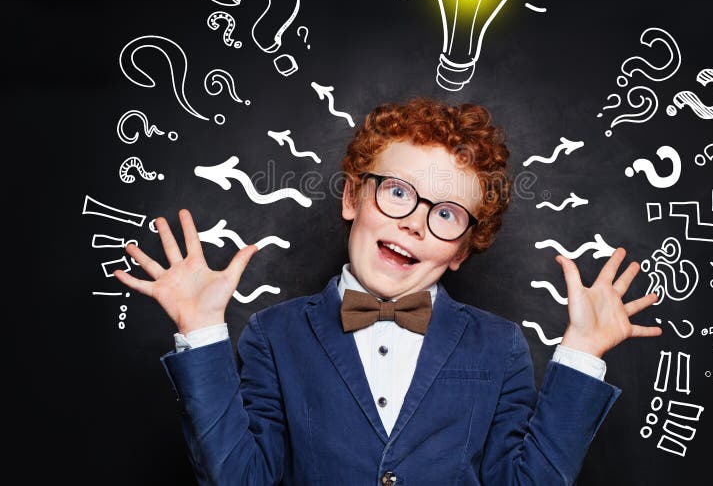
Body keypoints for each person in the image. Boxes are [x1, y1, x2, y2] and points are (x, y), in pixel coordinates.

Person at [114, 97, 661, 485]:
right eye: (397, 192)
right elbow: (238, 479)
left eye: (446, 213)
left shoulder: (500, 346)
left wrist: (582, 356)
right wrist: (203, 333)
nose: (414, 224)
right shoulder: (274, 335)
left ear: (463, 249)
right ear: (353, 198)